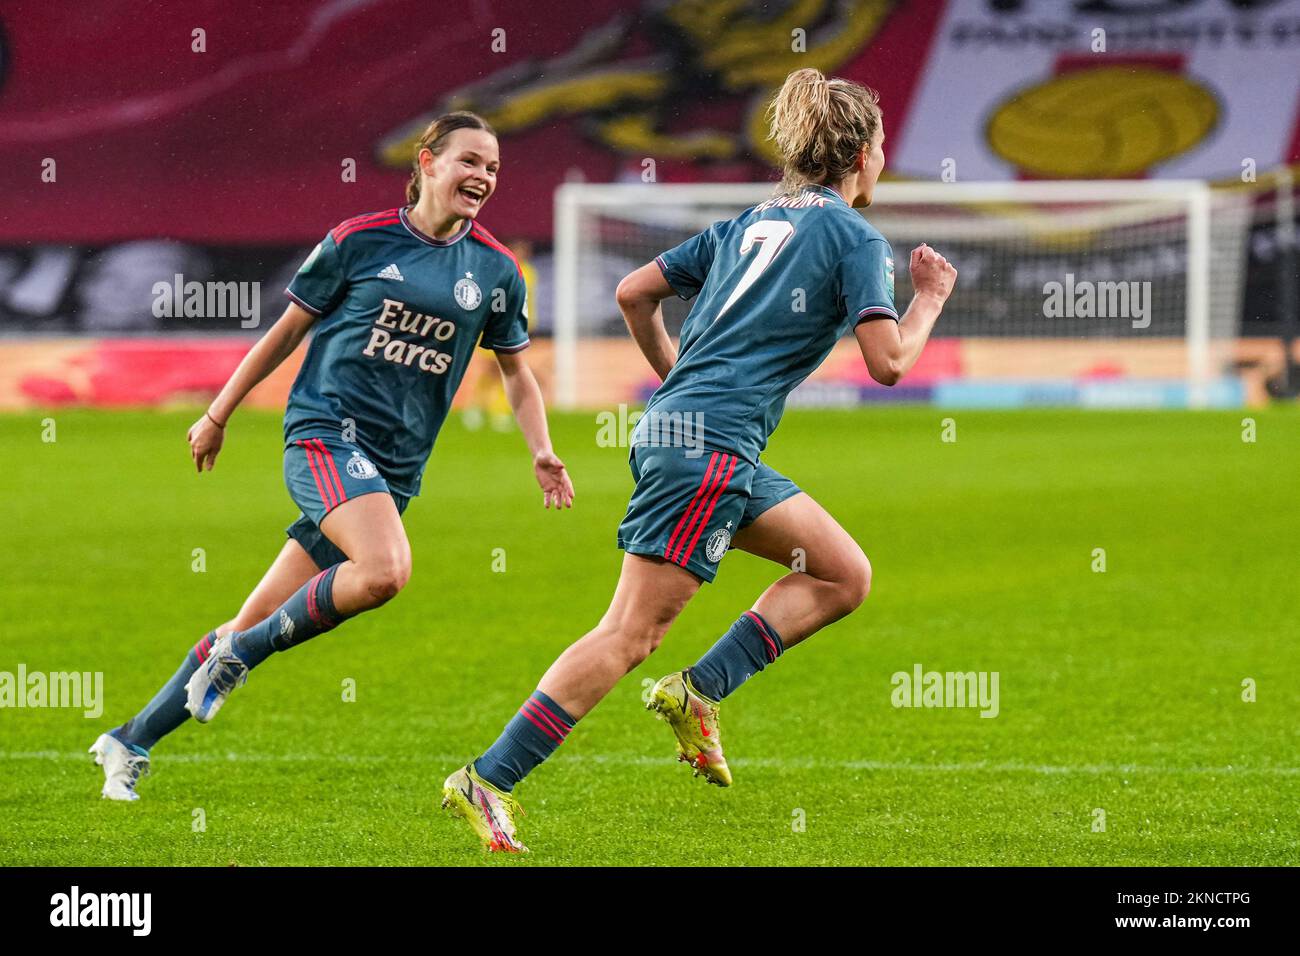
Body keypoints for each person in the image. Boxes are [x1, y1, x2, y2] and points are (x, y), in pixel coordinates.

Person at [442, 68, 957, 852]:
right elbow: (887, 364)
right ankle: (487, 778)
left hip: (700, 438)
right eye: (882, 146)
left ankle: (698, 691)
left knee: (842, 574)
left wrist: (679, 383)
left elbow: (631, 293)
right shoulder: (855, 238)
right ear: (859, 153)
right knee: (627, 635)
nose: (885, 160)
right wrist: (928, 299)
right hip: (709, 447)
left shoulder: (748, 221)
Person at [90, 111, 573, 801]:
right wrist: (217, 412)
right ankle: (240, 659)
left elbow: (516, 371)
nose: (483, 177)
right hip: (325, 437)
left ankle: (130, 739)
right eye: (470, 161)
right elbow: (284, 335)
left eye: (493, 168)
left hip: (394, 471)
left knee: (252, 616)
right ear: (428, 161)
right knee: (385, 571)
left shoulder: (496, 270)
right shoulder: (358, 241)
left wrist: (543, 450)